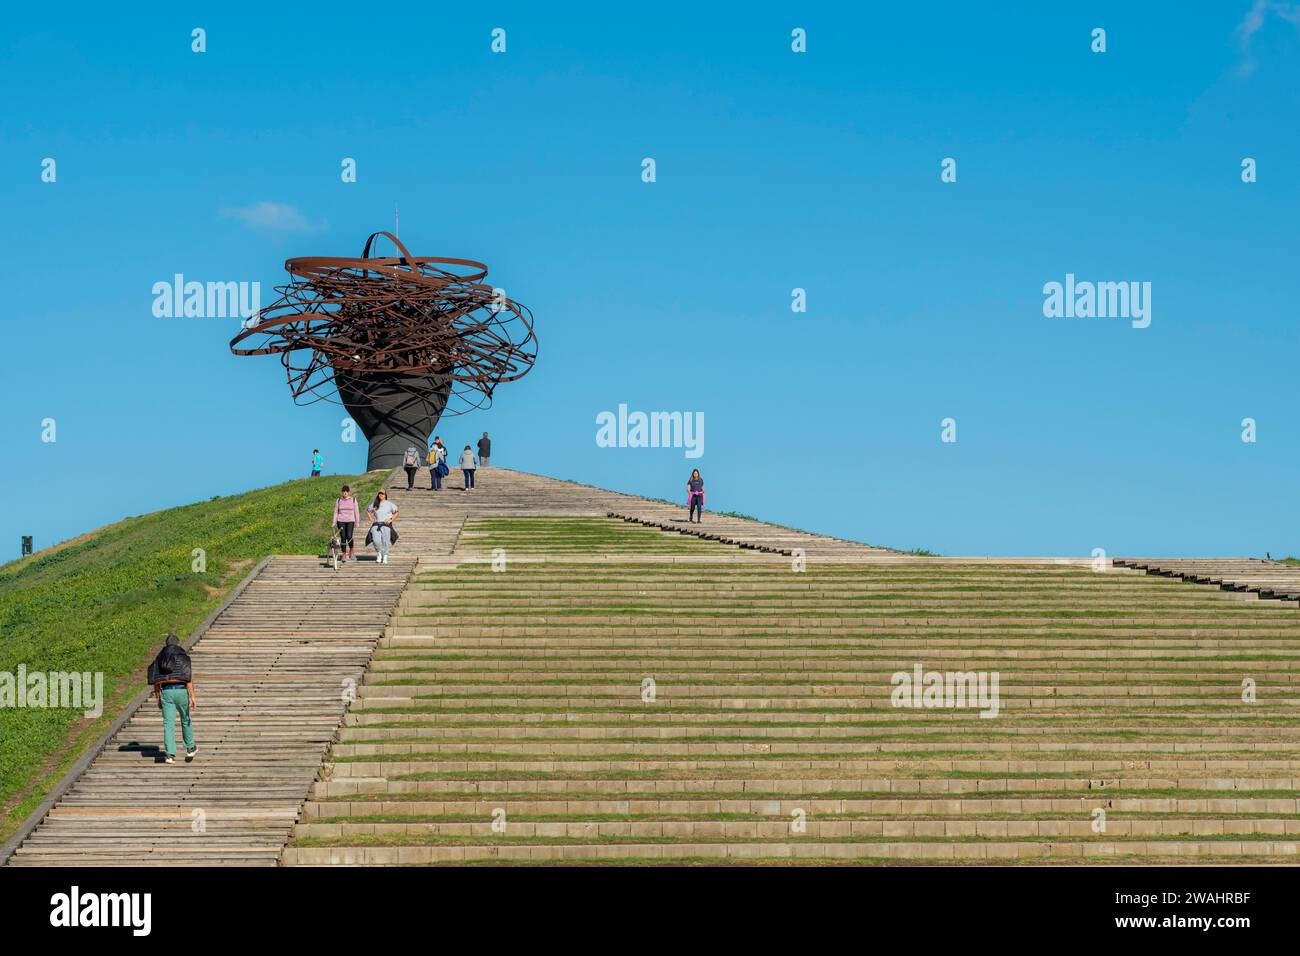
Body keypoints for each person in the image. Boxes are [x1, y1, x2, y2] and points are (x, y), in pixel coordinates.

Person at [148, 635, 196, 764]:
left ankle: (170, 755)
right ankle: (190, 747)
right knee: (185, 719)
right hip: (181, 691)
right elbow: (188, 678)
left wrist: (158, 697)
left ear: (166, 644)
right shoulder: (183, 657)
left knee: (168, 724)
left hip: (166, 691)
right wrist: (192, 696)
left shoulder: (160, 658)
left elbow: (156, 681)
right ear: (177, 643)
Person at [366, 489, 399, 563]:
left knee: (385, 541)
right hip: (376, 524)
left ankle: (385, 556)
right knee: (375, 540)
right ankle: (379, 553)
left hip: (386, 525)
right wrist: (371, 518)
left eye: (382, 493)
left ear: (385, 495)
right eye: (379, 493)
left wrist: (391, 520)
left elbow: (397, 512)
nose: (381, 494)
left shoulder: (390, 504)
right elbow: (368, 511)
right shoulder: (374, 504)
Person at [333, 484, 359, 561]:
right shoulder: (338, 500)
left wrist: (357, 522)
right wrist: (334, 522)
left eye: (346, 491)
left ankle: (351, 552)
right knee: (343, 537)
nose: (345, 492)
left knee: (349, 536)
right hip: (341, 521)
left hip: (350, 520)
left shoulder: (353, 499)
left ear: (349, 492)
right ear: (342, 492)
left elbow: (356, 511)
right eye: (344, 491)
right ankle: (344, 554)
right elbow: (336, 512)